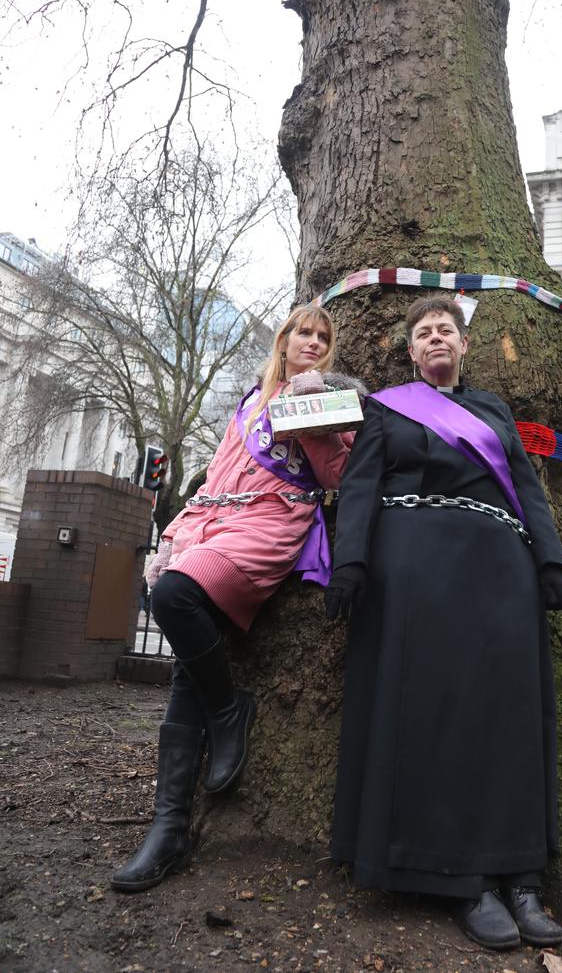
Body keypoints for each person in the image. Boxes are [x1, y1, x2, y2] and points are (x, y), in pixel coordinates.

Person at [325, 295, 562, 952]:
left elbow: (527, 487)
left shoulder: (493, 411)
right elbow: (359, 485)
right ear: (412, 352)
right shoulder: (387, 408)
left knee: (508, 720)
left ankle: (520, 874)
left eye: (446, 330)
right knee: (438, 718)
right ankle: (464, 881)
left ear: (463, 347)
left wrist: (550, 562)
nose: (436, 338)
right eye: (424, 332)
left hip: (501, 576)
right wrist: (349, 560)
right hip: (416, 579)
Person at [112, 305, 357, 894]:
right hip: (214, 524)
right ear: (284, 338)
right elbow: (215, 479)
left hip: (273, 525)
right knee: (182, 666)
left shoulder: (326, 397)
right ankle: (167, 830)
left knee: (174, 598)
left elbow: (337, 476)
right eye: (304, 332)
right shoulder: (249, 403)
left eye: (323, 338)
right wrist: (174, 535)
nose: (313, 342)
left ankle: (228, 711)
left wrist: (316, 410)